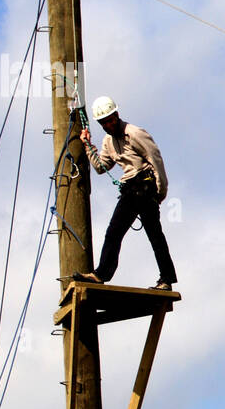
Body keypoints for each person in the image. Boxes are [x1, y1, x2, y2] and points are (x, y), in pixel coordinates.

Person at [74, 95, 177, 291]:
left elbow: (156, 160)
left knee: (155, 236)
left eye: (110, 119)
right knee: (113, 232)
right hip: (130, 189)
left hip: (146, 188)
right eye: (104, 122)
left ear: (117, 115)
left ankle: (167, 279)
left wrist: (160, 193)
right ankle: (101, 274)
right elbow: (101, 167)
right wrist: (88, 145)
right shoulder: (108, 141)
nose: (108, 124)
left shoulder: (135, 133)